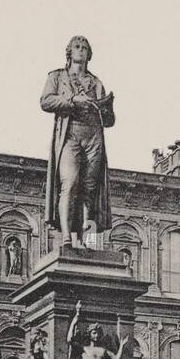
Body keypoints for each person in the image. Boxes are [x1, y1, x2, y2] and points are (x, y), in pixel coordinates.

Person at [41, 35, 114, 247]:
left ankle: (84, 241)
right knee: (70, 183)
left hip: (93, 136)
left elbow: (109, 121)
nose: (81, 50)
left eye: (85, 48)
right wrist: (72, 101)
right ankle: (65, 237)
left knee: (89, 190)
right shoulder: (57, 76)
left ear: (89, 54)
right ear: (70, 52)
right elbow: (45, 101)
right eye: (77, 47)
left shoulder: (96, 82)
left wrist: (107, 108)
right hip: (70, 134)